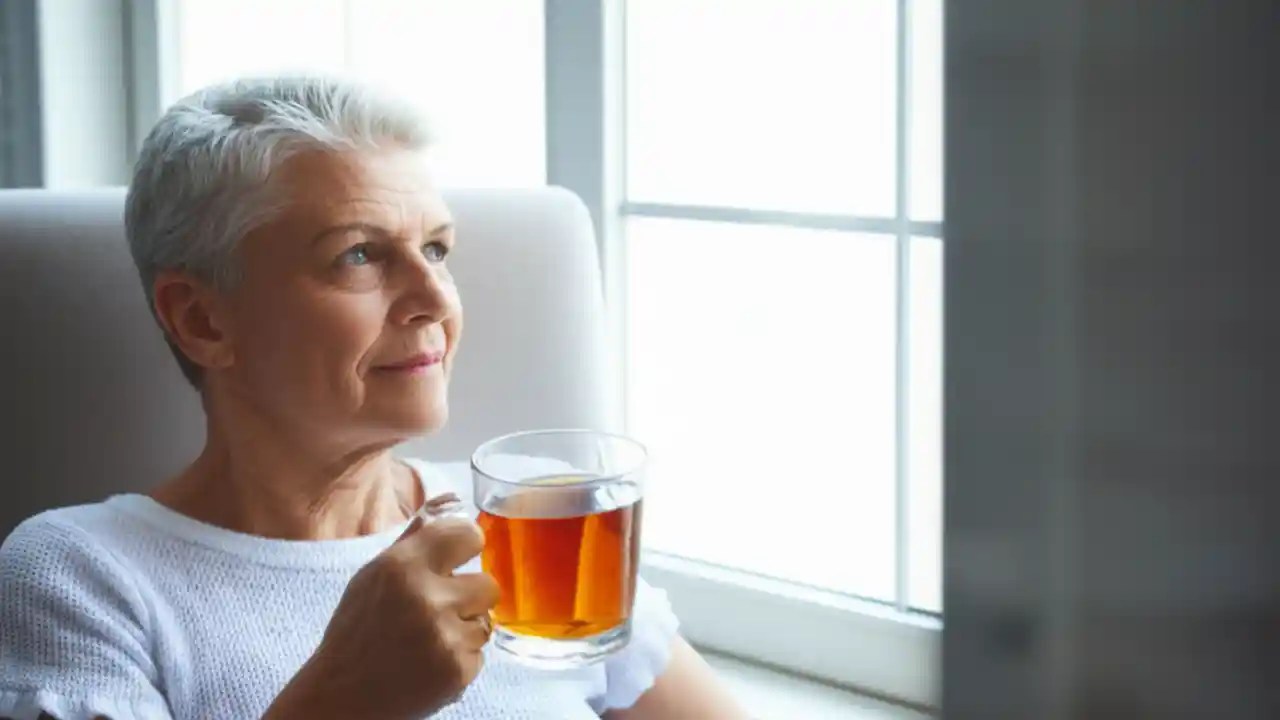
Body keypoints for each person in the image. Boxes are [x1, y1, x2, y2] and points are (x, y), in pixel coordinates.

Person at [0, 76, 745, 720]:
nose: (436, 299)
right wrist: (346, 697)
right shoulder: (79, 578)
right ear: (202, 320)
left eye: (436, 249)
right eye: (358, 254)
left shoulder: (535, 520)